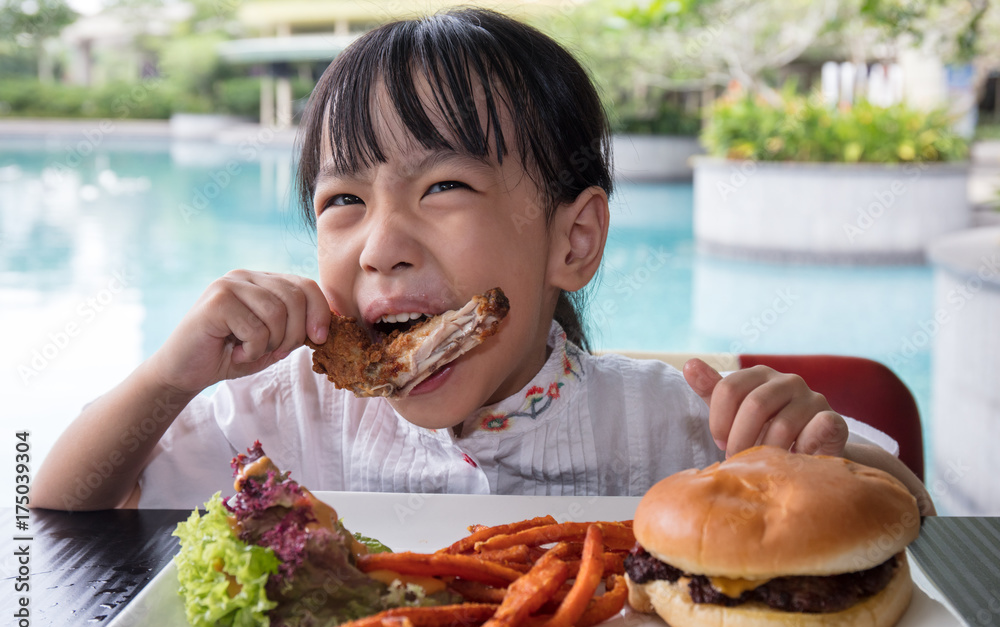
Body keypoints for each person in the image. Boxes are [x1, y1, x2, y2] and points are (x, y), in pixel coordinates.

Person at [32, 8, 933, 515]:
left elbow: (917, 519)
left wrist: (810, 454)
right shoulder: (277, 418)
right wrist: (166, 380)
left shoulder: (675, 430)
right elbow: (56, 511)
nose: (380, 244)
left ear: (572, 241)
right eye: (342, 201)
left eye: (445, 187)